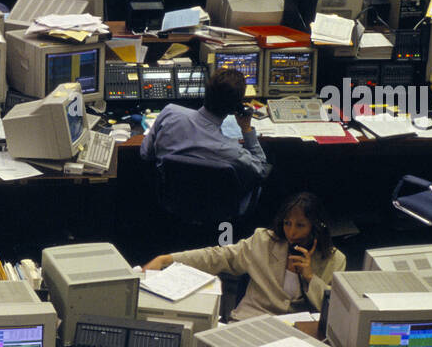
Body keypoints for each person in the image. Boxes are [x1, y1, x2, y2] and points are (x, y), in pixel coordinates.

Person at [143, 191, 345, 320]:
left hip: (296, 333)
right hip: (251, 322)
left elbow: (336, 313)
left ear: (316, 227)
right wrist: (167, 259)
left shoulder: (335, 260)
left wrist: (310, 277)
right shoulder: (264, 242)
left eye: (300, 225)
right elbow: (218, 256)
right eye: (287, 223)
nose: (291, 233)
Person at [139, 66, 270, 189]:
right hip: (218, 207)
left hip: (170, 200)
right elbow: (262, 169)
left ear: (206, 93)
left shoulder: (170, 112)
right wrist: (246, 129)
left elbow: (145, 154)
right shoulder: (233, 152)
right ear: (235, 108)